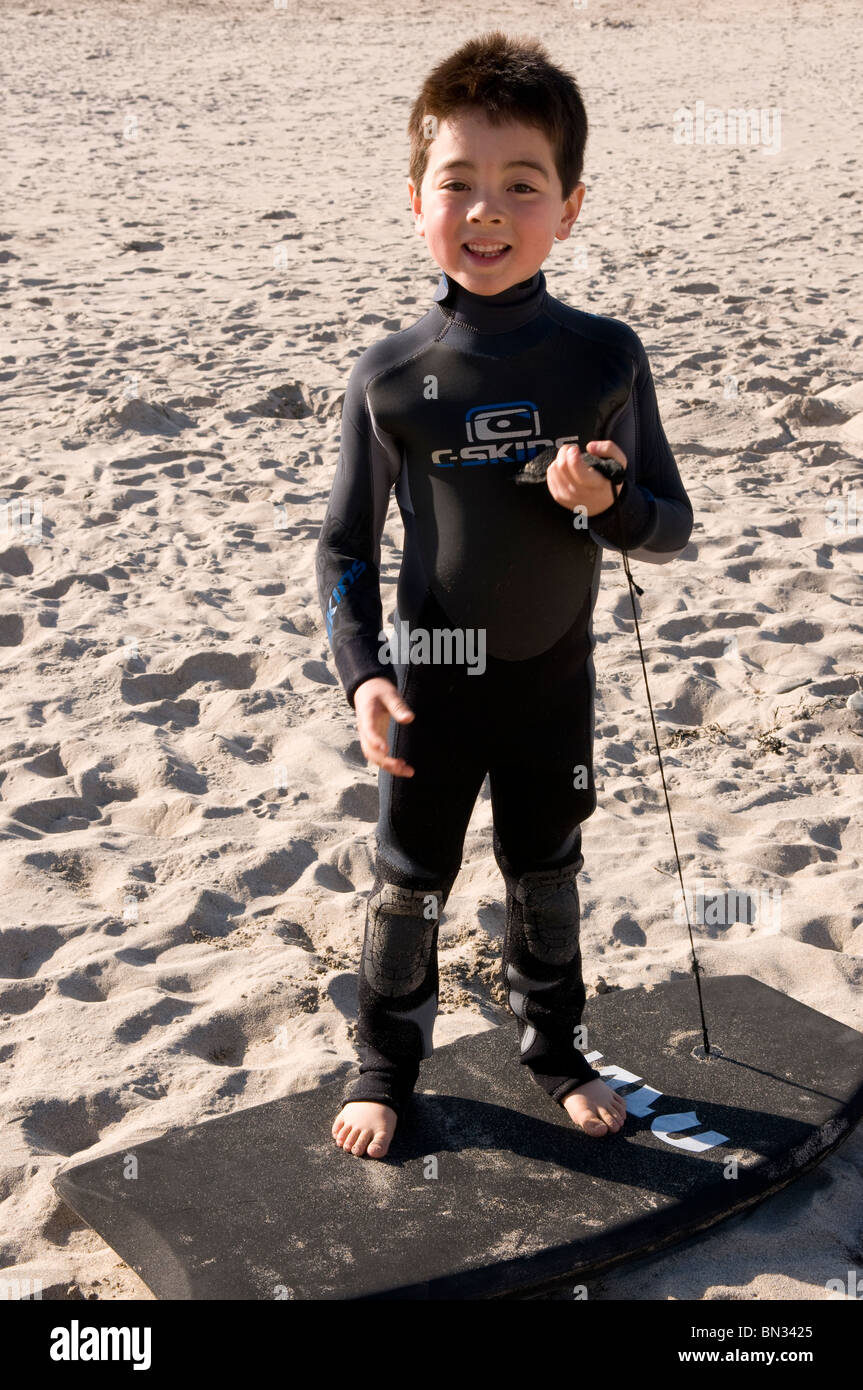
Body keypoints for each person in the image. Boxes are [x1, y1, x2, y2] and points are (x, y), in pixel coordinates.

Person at [315, 31, 693, 1160]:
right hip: (432, 681)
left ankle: (557, 1046)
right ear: (415, 202)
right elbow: (342, 541)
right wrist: (361, 673)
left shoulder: (601, 357)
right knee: (407, 884)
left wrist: (604, 504)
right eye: (458, 184)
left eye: (519, 186)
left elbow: (667, 525)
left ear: (569, 207)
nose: (486, 211)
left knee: (546, 871)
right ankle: (385, 1062)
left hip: (550, 680)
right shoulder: (390, 375)